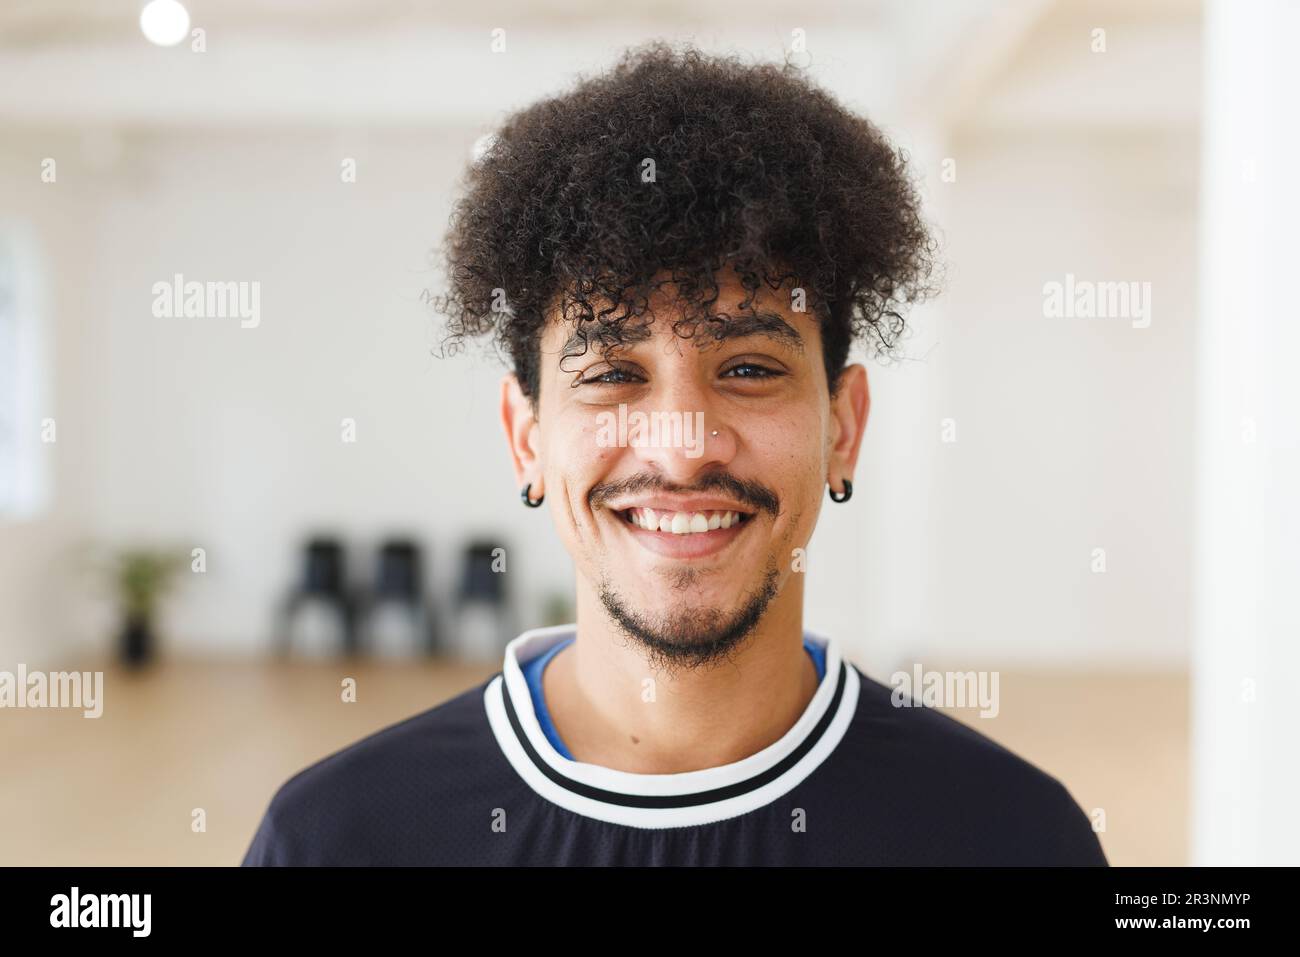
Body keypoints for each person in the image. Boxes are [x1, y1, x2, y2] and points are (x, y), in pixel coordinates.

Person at [242, 41, 1107, 866]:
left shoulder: (1011, 836)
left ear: (843, 427)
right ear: (526, 436)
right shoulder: (339, 838)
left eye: (748, 367)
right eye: (614, 372)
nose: (683, 447)